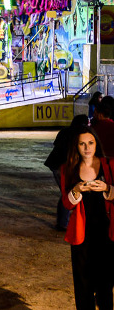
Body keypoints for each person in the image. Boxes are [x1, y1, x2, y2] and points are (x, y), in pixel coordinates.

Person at [60, 126, 114, 309]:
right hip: (81, 234)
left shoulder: (109, 165)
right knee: (83, 283)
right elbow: (66, 204)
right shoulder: (68, 168)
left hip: (107, 232)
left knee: (106, 282)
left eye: (90, 143)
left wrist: (107, 188)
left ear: (96, 143)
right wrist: (75, 190)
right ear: (75, 146)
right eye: (81, 144)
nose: (87, 147)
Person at [44, 115, 90, 231]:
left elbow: (56, 145)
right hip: (65, 166)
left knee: (67, 193)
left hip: (56, 164)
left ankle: (63, 222)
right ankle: (63, 222)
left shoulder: (64, 131)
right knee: (68, 194)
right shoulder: (81, 135)